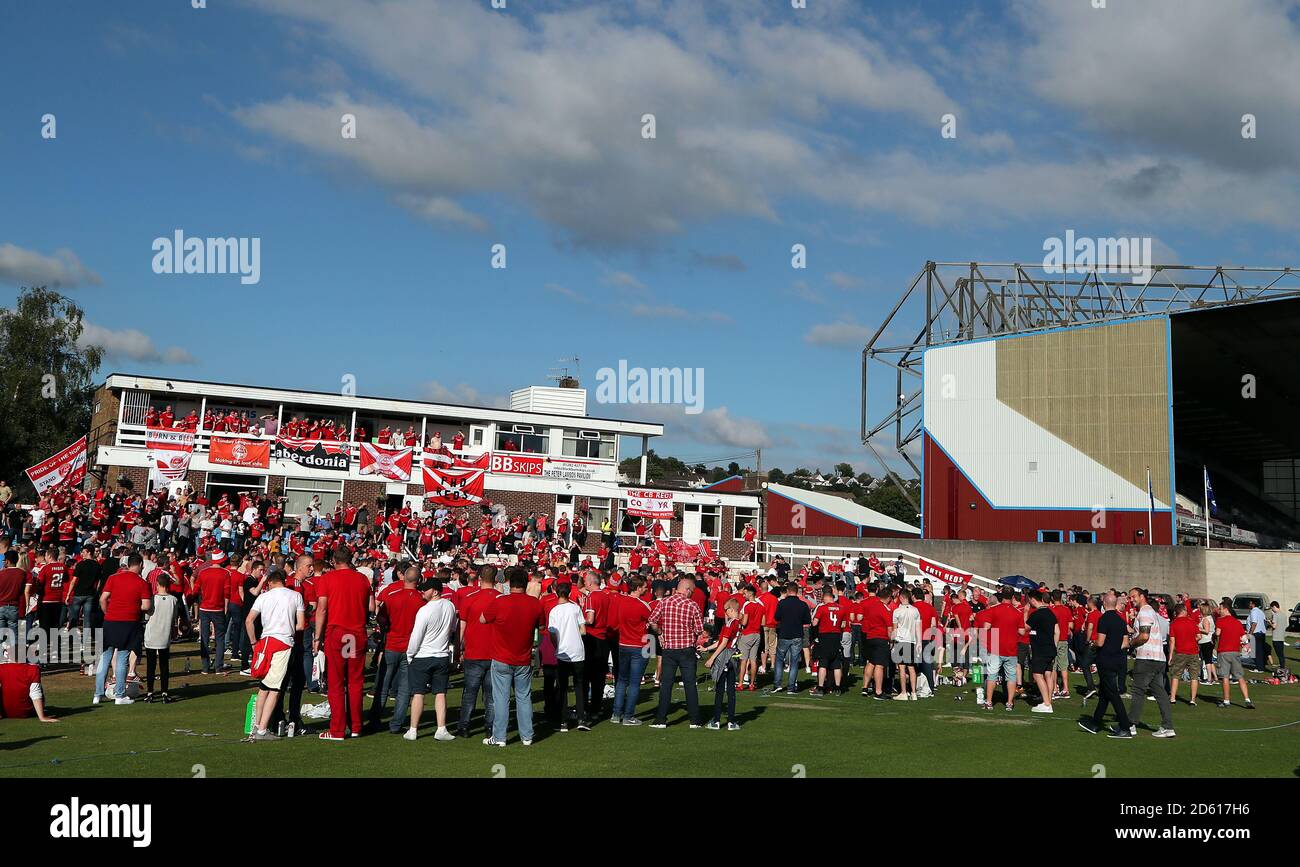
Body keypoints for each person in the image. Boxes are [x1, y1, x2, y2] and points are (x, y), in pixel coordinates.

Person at [480, 567, 545, 746]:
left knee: (501, 698)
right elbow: (540, 627)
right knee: (523, 697)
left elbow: (483, 619)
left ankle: (500, 737)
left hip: (502, 657)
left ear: (510, 583)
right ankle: (527, 735)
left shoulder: (501, 601)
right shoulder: (535, 604)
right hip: (522, 657)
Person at [314, 547, 374, 740]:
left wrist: (317, 637)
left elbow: (322, 609)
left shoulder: (327, 579)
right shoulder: (362, 579)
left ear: (334, 560)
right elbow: (369, 607)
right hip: (356, 632)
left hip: (337, 632)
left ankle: (337, 729)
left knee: (336, 683)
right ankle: (356, 726)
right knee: (356, 682)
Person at [244, 570, 305, 740]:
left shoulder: (263, 597)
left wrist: (253, 642)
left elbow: (249, 620)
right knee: (275, 688)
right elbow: (300, 624)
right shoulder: (295, 596)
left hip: (265, 642)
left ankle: (257, 727)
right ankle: (262, 729)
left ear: (270, 582)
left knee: (264, 687)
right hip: (283, 643)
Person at [369, 562, 423, 733]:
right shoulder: (421, 600)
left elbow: (381, 617)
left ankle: (375, 720)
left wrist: (386, 627)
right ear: (418, 580)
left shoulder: (393, 596)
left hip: (392, 644)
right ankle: (396, 724)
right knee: (404, 690)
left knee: (383, 686)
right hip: (410, 648)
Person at [404, 577, 458, 742]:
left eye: (425, 589)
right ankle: (441, 728)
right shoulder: (450, 606)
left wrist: (410, 654)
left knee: (418, 693)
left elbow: (416, 636)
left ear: (435, 591)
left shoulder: (425, 610)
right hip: (441, 655)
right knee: (440, 692)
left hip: (423, 655)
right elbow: (453, 628)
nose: (422, 591)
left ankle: (413, 729)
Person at [94, 554, 151, 705]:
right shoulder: (141, 582)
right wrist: (133, 606)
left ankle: (98, 694)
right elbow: (146, 606)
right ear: (138, 564)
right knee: (122, 658)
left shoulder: (113, 578)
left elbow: (102, 599)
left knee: (105, 657)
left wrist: (107, 613)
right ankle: (119, 695)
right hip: (128, 622)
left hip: (110, 621)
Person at [648, 577, 704, 728]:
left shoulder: (664, 602)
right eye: (691, 591)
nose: (692, 594)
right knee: (690, 685)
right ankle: (695, 720)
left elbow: (652, 620)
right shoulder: (693, 605)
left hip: (669, 649)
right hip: (686, 649)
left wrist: (660, 633)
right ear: (687, 590)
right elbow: (699, 630)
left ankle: (661, 719)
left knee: (666, 685)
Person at [1121, 587, 1176, 737]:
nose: (1131, 600)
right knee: (1160, 692)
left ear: (1142, 596)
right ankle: (1168, 726)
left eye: (1133, 597)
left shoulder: (1144, 611)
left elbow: (1144, 636)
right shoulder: (1151, 612)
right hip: (1158, 659)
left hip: (1147, 658)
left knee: (1138, 691)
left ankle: (1131, 725)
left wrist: (1130, 643)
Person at [1080, 591, 1133, 738]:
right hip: (1117, 659)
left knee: (1113, 695)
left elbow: (1101, 641)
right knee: (1104, 693)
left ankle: (1125, 726)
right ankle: (1095, 723)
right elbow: (1125, 643)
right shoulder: (1121, 620)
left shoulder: (1104, 619)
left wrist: (1093, 644)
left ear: (1104, 604)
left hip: (1106, 659)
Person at [455, 565, 499, 738]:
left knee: (469, 693)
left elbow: (461, 628)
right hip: (494, 653)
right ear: (496, 580)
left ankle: (464, 726)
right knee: (491, 696)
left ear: (480, 578)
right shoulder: (500, 598)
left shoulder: (469, 598)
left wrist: (458, 649)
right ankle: (490, 727)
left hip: (474, 652)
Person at [609, 575, 651, 725]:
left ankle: (616, 713)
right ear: (638, 588)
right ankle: (628, 716)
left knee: (621, 680)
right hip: (639, 646)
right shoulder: (642, 605)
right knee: (634, 683)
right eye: (644, 587)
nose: (646, 589)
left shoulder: (621, 601)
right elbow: (653, 621)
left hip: (623, 644)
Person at [547, 581, 587, 732]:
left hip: (563, 651)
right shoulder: (575, 608)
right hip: (577, 650)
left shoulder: (554, 611)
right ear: (570, 594)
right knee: (579, 685)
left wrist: (557, 645)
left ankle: (563, 721)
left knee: (562, 687)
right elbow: (583, 630)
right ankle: (581, 718)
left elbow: (552, 634)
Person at [701, 597, 741, 730]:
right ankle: (731, 722)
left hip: (725, 657)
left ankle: (716, 721)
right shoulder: (737, 623)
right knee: (731, 691)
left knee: (719, 690)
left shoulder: (730, 624)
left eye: (725, 610)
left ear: (731, 609)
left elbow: (723, 643)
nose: (724, 613)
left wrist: (712, 658)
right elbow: (721, 642)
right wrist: (706, 648)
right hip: (733, 657)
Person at [981, 589, 1023, 711]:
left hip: (995, 647)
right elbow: (1021, 631)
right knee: (1011, 677)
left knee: (992, 675)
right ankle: (1009, 702)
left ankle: (989, 701)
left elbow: (986, 627)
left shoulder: (993, 610)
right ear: (1012, 597)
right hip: (1011, 648)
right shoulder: (1017, 613)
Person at [142, 574, 181, 703]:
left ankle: (150, 692)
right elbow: (174, 617)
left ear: (158, 585)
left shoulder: (153, 599)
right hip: (164, 635)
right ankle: (165, 691)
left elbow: (147, 616)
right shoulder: (173, 600)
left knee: (151, 665)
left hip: (152, 635)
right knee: (164, 665)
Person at [1213, 599, 1254, 709]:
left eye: (1221, 609)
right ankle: (1247, 699)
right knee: (1240, 677)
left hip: (1224, 651)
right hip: (1235, 652)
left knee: (1225, 677)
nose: (1219, 611)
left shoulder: (1220, 620)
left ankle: (1226, 701)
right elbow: (1244, 638)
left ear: (1226, 609)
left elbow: (1217, 633)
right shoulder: (1237, 622)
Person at [195, 550, 230, 674]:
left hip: (205, 608)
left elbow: (196, 588)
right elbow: (226, 593)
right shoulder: (226, 573)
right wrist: (225, 607)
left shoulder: (204, 572)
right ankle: (218, 667)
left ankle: (205, 667)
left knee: (204, 637)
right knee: (219, 638)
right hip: (218, 608)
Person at [773, 582, 810, 695]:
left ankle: (777, 684)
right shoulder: (802, 605)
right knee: (794, 662)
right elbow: (807, 620)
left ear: (788, 591)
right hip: (797, 635)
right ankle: (791, 687)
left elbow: (777, 617)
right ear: (797, 591)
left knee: (779, 660)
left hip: (784, 634)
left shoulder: (782, 603)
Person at [1025, 590, 1058, 713]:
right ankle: (1048, 701)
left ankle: (1047, 703)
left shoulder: (1036, 614)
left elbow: (1024, 629)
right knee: (1048, 674)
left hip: (1040, 649)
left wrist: (1025, 612)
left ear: (1033, 600)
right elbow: (1056, 630)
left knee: (1037, 674)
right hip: (1050, 648)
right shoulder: (1050, 612)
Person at [810, 586, 845, 697]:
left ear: (826, 597)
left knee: (823, 663)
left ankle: (820, 688)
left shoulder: (822, 608)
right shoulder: (841, 608)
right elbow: (843, 624)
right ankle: (838, 688)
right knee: (836, 664)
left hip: (825, 637)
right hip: (836, 636)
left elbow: (814, 623)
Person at [1167, 603, 1202, 707]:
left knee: (1175, 675)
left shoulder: (1173, 624)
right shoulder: (1192, 622)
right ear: (1183, 611)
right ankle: (1192, 699)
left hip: (1180, 652)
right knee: (1194, 676)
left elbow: (1172, 641)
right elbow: (1199, 636)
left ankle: (1173, 698)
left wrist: (1170, 656)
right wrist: (1191, 640)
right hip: (1193, 652)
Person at [890, 587, 922, 701]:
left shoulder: (897, 611)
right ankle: (913, 693)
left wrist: (892, 643)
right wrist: (919, 643)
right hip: (911, 641)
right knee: (912, 668)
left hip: (901, 640)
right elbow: (918, 628)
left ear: (901, 597)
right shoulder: (915, 610)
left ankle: (904, 692)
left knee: (902, 668)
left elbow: (895, 629)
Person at [1246, 599, 1269, 671]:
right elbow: (1265, 622)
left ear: (1253, 604)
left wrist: (1250, 633)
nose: (1249, 605)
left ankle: (1259, 667)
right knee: (1259, 651)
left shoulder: (1254, 611)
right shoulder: (1261, 612)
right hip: (1261, 633)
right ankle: (1259, 666)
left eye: (1250, 603)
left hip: (1256, 633)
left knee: (1256, 651)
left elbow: (1254, 623)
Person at [1267, 601, 1287, 669]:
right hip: (1281, 637)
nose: (1272, 610)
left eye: (1272, 608)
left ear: (1274, 607)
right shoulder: (1284, 615)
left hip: (1276, 638)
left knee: (1279, 655)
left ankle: (1282, 669)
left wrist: (1270, 622)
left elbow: (1274, 626)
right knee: (1281, 654)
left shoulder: (1275, 615)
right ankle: (1283, 667)